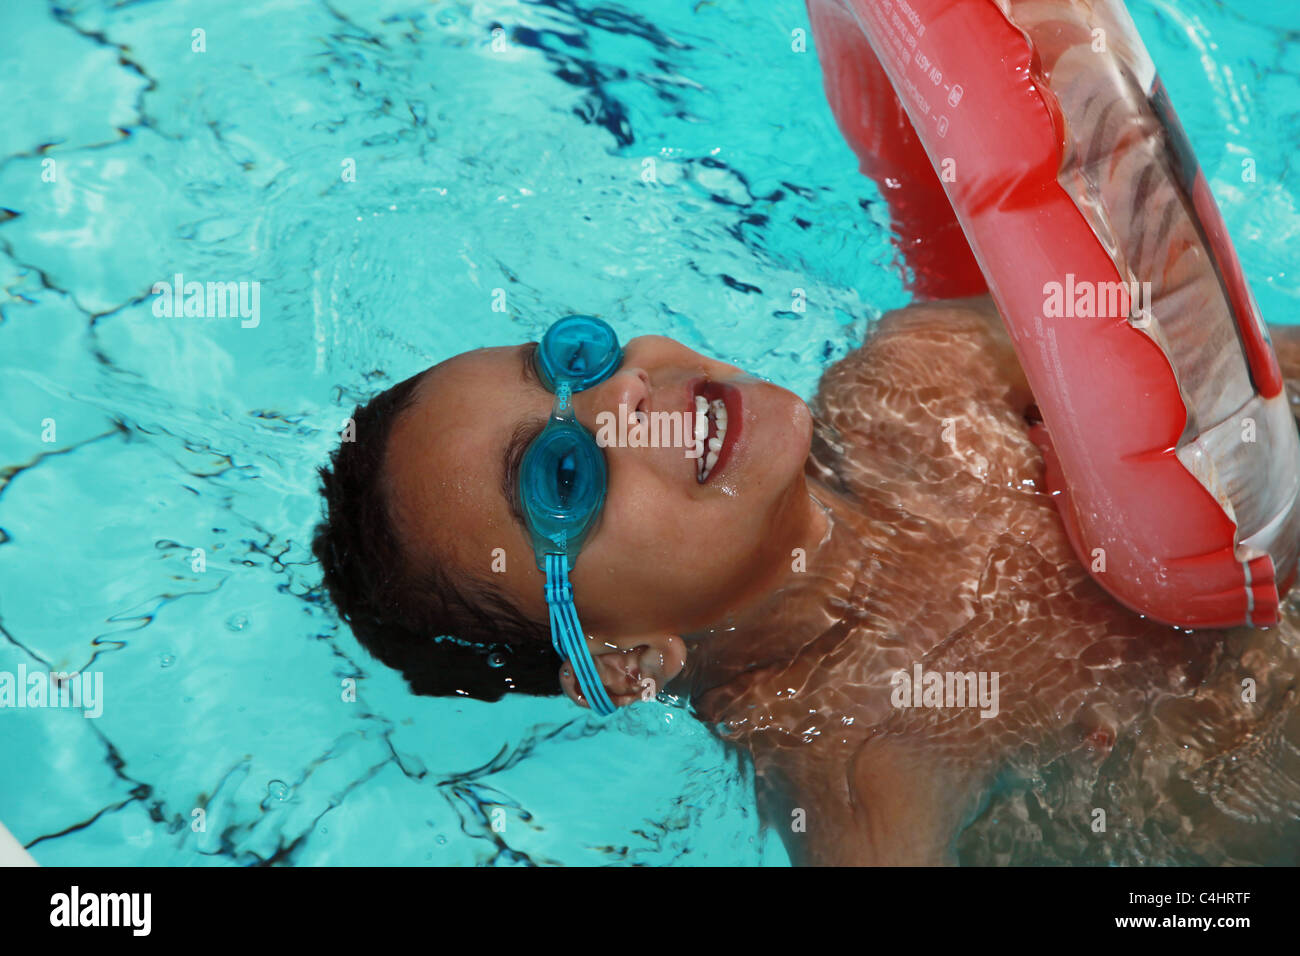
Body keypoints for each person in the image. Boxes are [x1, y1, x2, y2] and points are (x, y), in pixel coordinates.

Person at [312, 6, 1300, 864]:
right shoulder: (863, 782)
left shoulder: (914, 382)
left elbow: (1210, 363)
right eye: (561, 472)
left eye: (576, 358)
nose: (622, 399)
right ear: (623, 662)